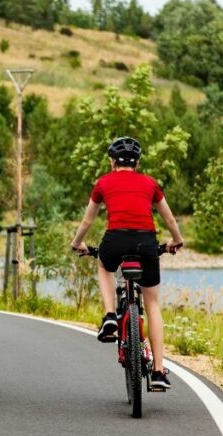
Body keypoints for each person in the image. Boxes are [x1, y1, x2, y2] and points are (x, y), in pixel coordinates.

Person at [70, 137, 184, 390]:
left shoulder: (103, 183)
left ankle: (110, 315)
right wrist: (176, 240)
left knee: (104, 265)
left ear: (112, 161)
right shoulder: (150, 183)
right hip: (146, 242)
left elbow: (88, 222)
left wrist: (77, 243)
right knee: (152, 303)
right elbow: (169, 219)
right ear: (137, 162)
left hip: (115, 239)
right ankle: (157, 371)